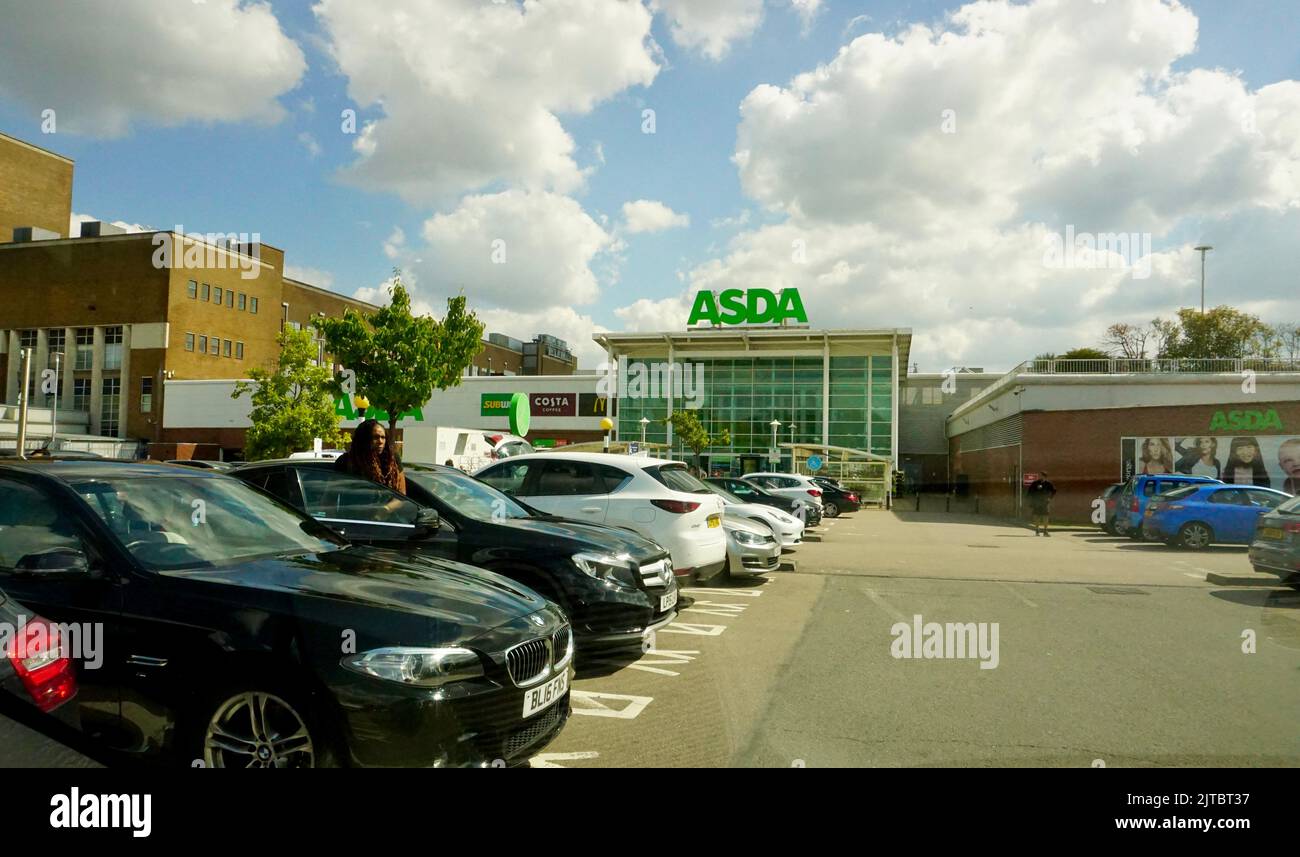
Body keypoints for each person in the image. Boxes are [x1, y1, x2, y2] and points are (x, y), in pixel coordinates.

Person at [335, 418, 406, 495]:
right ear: (363, 439)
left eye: (383, 437)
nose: (380, 441)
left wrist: (386, 507)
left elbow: (402, 494)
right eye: (375, 437)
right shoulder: (346, 461)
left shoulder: (392, 459)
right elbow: (331, 493)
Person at [1026, 472, 1057, 537]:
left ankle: (1045, 531)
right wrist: (1031, 501)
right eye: (1041, 476)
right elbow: (1030, 492)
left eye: (1043, 476)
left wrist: (1050, 498)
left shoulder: (1049, 484)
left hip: (1045, 502)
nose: (1041, 477)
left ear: (1045, 477)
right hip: (1037, 503)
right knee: (1037, 516)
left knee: (1046, 516)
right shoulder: (1035, 483)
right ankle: (1037, 530)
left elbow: (1054, 491)